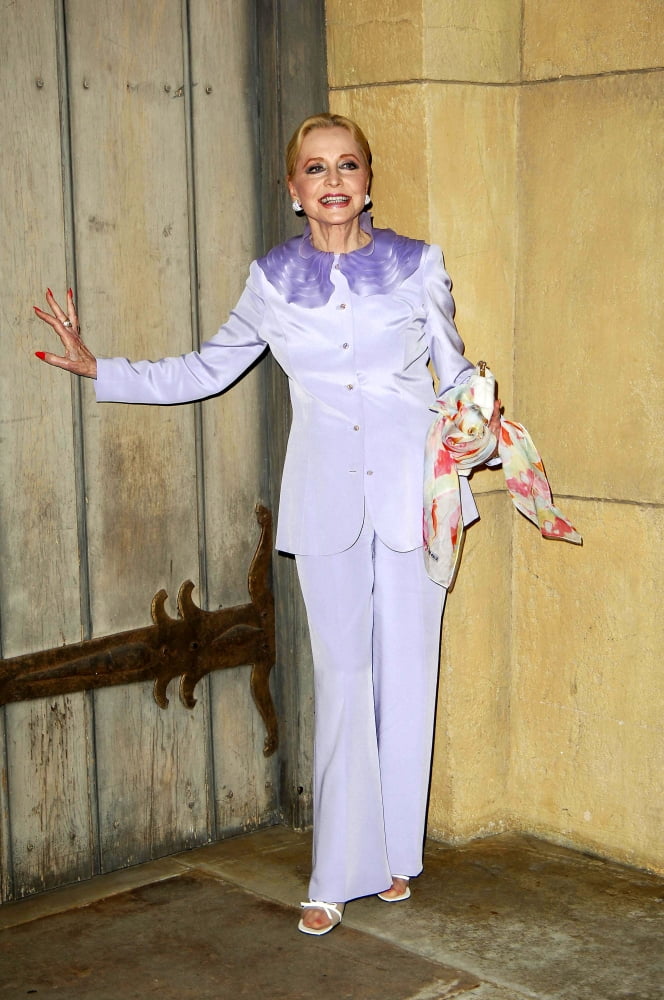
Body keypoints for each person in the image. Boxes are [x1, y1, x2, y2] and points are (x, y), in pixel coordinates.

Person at [34, 112, 500, 936]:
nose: (332, 182)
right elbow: (207, 368)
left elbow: (455, 369)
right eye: (315, 170)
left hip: (417, 495)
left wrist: (480, 428)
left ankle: (393, 856)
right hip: (324, 502)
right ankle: (334, 871)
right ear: (294, 191)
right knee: (345, 677)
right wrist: (100, 365)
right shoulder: (273, 281)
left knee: (407, 676)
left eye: (347, 165)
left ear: (367, 181)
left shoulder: (417, 265)